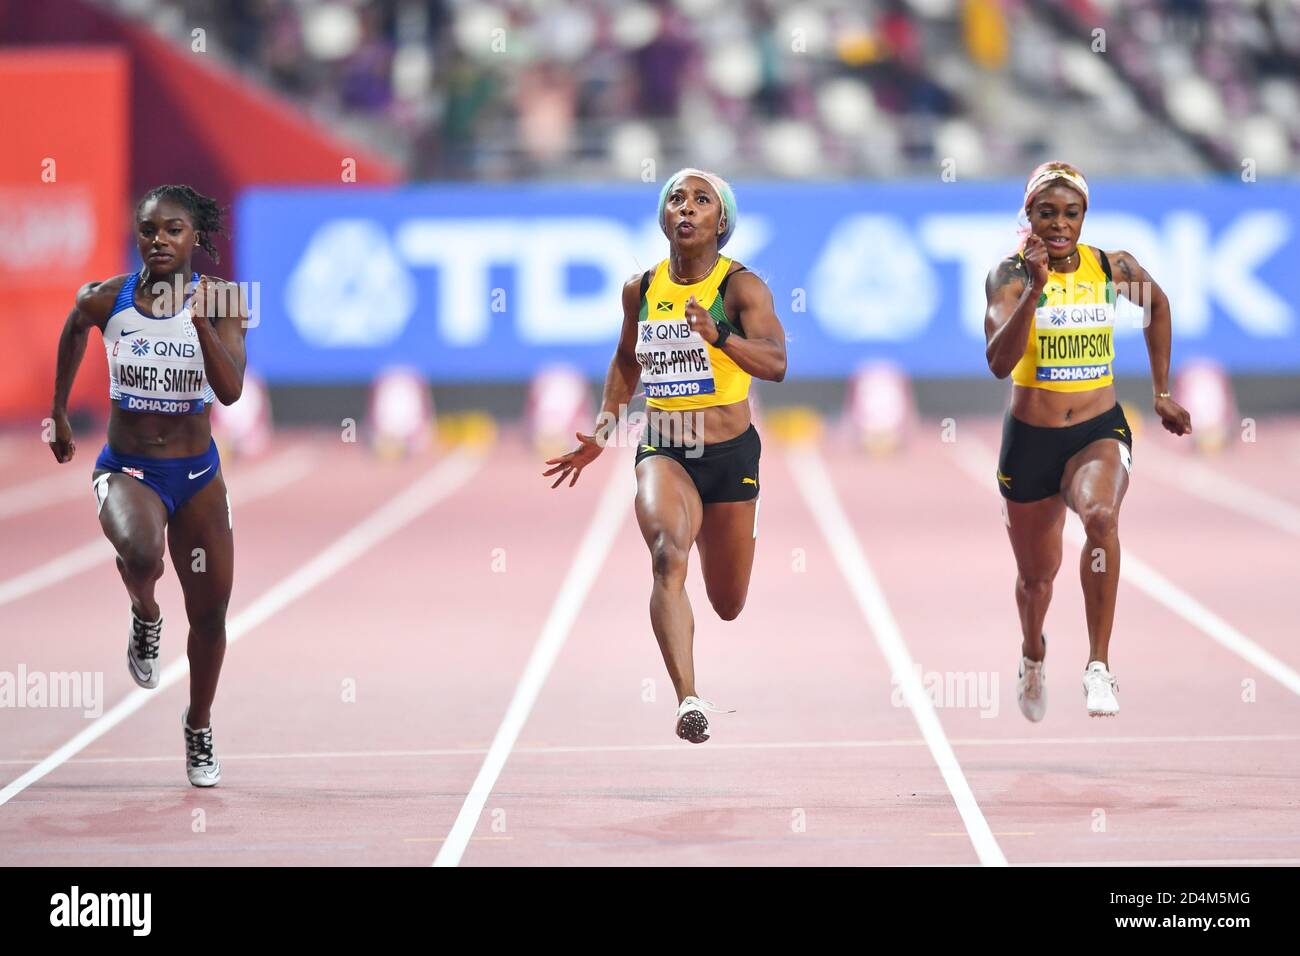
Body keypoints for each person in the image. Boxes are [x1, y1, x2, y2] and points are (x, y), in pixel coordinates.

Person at [543, 169, 787, 742]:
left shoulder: (741, 288)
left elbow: (777, 364)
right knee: (666, 556)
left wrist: (719, 336)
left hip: (729, 455)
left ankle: (725, 530)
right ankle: (688, 700)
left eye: (701, 201)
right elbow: (627, 361)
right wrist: (602, 433)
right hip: (666, 447)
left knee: (728, 602)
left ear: (720, 222)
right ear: (663, 216)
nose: (686, 208)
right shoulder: (641, 288)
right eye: (676, 198)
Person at [49, 185, 249, 785]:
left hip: (197, 476)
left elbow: (232, 389)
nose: (158, 239)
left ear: (195, 238)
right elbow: (73, 327)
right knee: (141, 551)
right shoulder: (108, 298)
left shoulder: (223, 301)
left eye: (172, 229)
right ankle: (144, 611)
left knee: (211, 611)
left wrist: (200, 328)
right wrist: (58, 412)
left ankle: (199, 724)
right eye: (147, 229)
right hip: (129, 468)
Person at [983, 161, 1192, 719]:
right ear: (1027, 216)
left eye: (1070, 213)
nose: (1058, 224)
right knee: (1036, 579)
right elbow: (1000, 364)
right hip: (1030, 441)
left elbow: (1159, 306)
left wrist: (1162, 391)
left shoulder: (1110, 266)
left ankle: (1099, 665)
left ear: (1084, 216)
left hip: (1098, 429)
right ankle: (1033, 652)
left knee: (1101, 516)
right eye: (1046, 213)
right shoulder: (1008, 276)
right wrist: (1034, 293)